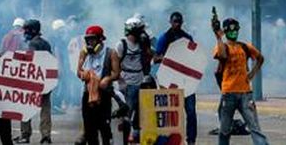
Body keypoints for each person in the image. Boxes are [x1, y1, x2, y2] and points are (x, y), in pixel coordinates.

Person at [212, 16, 267, 145]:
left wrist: (252, 73)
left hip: (245, 94)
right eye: (231, 30)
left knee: (255, 128)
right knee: (225, 130)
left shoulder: (245, 47)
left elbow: (260, 58)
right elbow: (222, 55)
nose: (234, 32)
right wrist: (218, 37)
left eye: (236, 30)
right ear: (225, 31)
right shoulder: (223, 46)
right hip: (228, 93)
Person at [153, 11, 198, 145]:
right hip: (170, 80)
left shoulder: (187, 37)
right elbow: (156, 58)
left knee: (190, 112)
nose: (176, 24)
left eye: (179, 22)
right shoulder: (164, 37)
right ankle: (167, 139)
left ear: (181, 23)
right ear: (170, 22)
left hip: (186, 80)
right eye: (174, 22)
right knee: (169, 112)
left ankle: (191, 140)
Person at [78, 25, 121, 145]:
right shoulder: (84, 53)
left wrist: (107, 79)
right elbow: (78, 71)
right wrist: (83, 74)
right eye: (88, 40)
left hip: (104, 94)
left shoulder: (111, 53)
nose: (90, 42)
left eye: (93, 39)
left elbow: (117, 73)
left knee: (104, 126)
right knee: (89, 127)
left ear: (100, 39)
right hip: (88, 94)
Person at [14, 19, 53, 144]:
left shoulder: (32, 44)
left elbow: (29, 62)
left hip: (32, 80)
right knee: (45, 109)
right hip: (45, 80)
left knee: (25, 108)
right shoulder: (46, 43)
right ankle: (46, 136)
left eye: (26, 30)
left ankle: (25, 135)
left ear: (33, 30)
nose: (24, 32)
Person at [116, 16, 152, 144]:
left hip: (140, 80)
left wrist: (147, 44)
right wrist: (120, 81)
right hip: (128, 82)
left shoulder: (141, 44)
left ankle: (136, 137)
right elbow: (116, 64)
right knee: (128, 111)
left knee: (141, 111)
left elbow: (149, 57)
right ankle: (124, 138)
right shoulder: (122, 45)